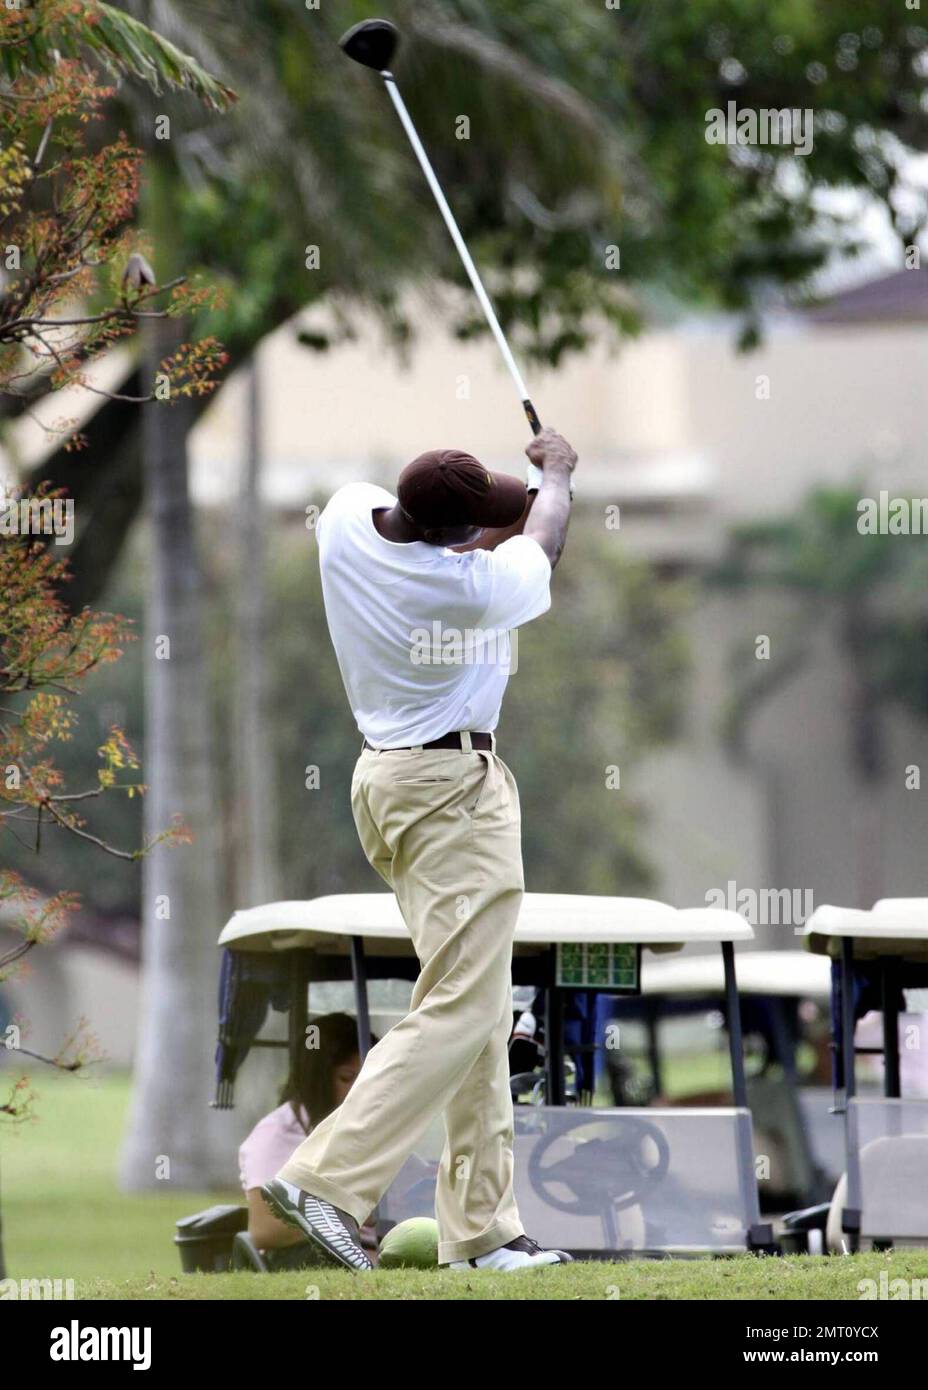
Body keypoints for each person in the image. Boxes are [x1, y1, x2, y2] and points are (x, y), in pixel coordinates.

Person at [262, 426, 578, 1272]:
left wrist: (518, 495)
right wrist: (557, 479)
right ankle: (325, 1181)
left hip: (389, 783)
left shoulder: (346, 518)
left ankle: (482, 1233)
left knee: (475, 1001)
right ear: (453, 539)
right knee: (467, 1006)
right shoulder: (462, 593)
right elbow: (542, 544)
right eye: (476, 528)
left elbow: (484, 532)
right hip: (451, 793)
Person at [240, 1012, 378, 1267]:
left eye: (368, 1079)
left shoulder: (366, 1130)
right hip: (310, 1260)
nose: (360, 1091)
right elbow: (264, 1230)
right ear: (317, 1081)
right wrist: (346, 1215)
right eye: (347, 1079)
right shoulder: (278, 1133)